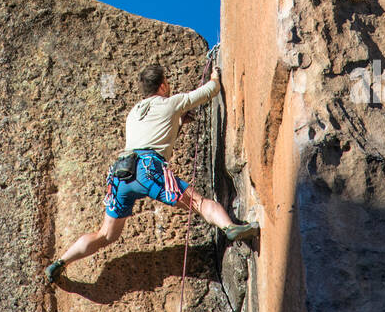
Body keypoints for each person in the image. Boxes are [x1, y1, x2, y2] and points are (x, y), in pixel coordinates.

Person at [45, 59, 259, 282]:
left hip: (121, 174)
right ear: (163, 86)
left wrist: (177, 123)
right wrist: (215, 76)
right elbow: (209, 91)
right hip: (148, 169)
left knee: (105, 234)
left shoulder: (133, 113)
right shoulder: (171, 103)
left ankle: (61, 262)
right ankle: (230, 227)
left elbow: (151, 135)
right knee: (199, 203)